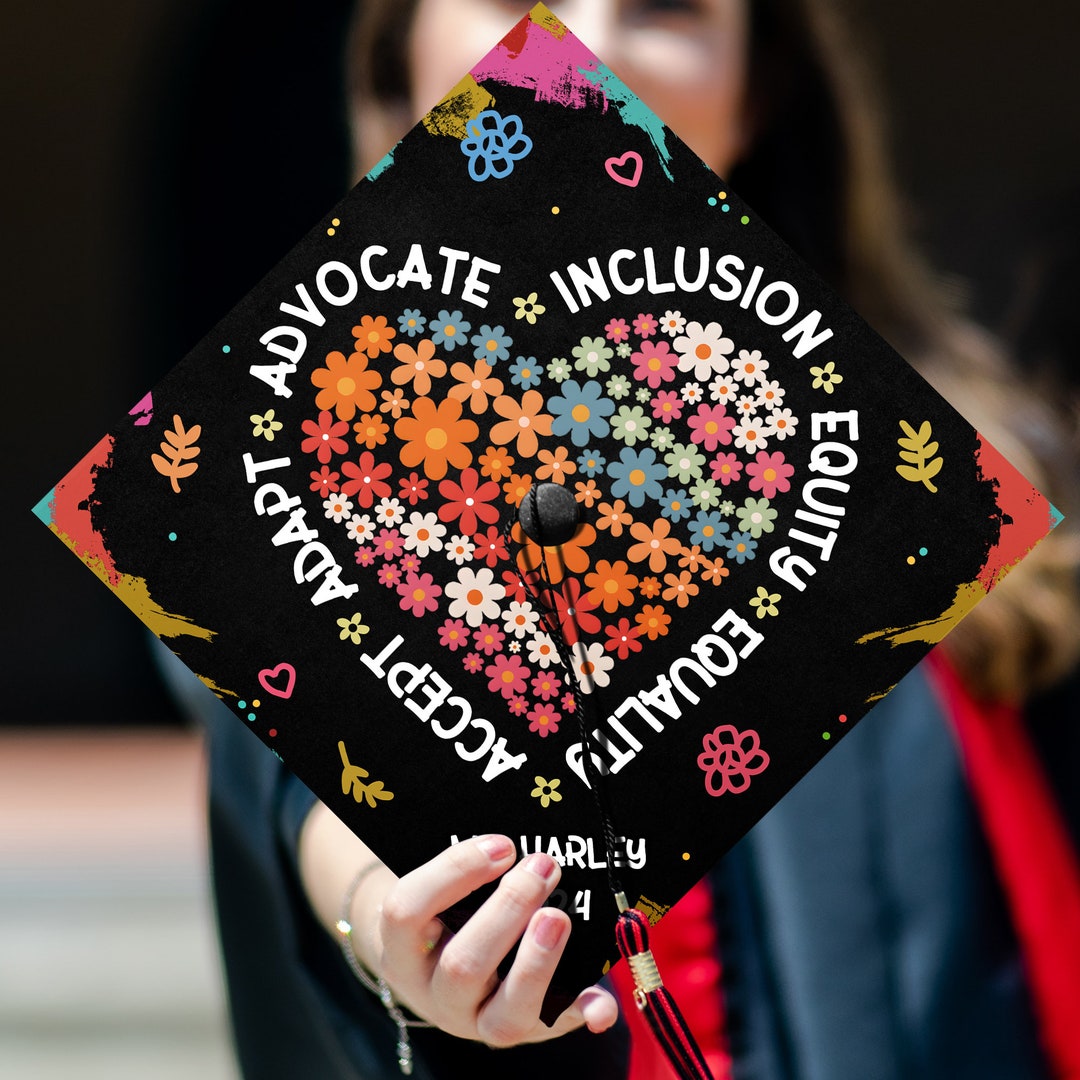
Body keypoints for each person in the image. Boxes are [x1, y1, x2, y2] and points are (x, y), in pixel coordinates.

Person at [155, 0, 1080, 1076]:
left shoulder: (956, 480)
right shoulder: (295, 468)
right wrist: (388, 916)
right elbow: (295, 769)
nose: (584, 47)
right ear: (398, 61)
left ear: (761, 89)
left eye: (665, 7)